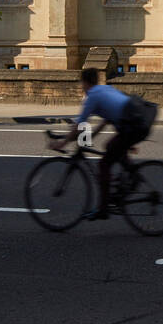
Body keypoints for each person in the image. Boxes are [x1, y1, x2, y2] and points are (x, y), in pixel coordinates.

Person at [51, 68, 157, 221]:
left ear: (85, 82)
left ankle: (103, 208)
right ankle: (132, 176)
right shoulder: (104, 89)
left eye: (81, 83)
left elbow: (79, 124)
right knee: (111, 147)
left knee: (104, 165)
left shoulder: (92, 96)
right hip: (136, 122)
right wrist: (89, 137)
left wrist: (62, 143)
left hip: (134, 125)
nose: (81, 86)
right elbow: (108, 118)